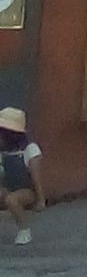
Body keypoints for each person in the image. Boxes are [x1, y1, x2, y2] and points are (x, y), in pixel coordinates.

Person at [1, 105, 44, 246]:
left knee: (12, 200)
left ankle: (24, 230)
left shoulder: (30, 149)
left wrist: (40, 200)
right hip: (7, 187)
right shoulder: (4, 151)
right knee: (7, 196)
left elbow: (35, 177)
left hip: (26, 190)